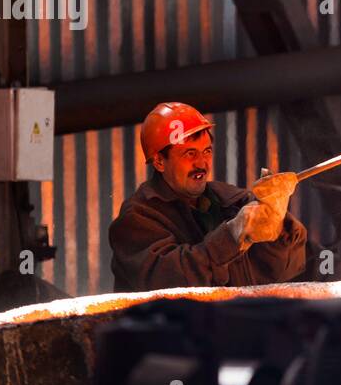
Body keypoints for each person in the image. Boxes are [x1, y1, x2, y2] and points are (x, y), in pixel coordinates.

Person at [109, 101, 307, 291]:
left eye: (207, 151)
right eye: (190, 154)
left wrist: (278, 227)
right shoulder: (136, 220)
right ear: (160, 162)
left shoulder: (232, 201)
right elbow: (167, 282)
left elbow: (289, 270)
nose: (202, 164)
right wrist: (232, 235)